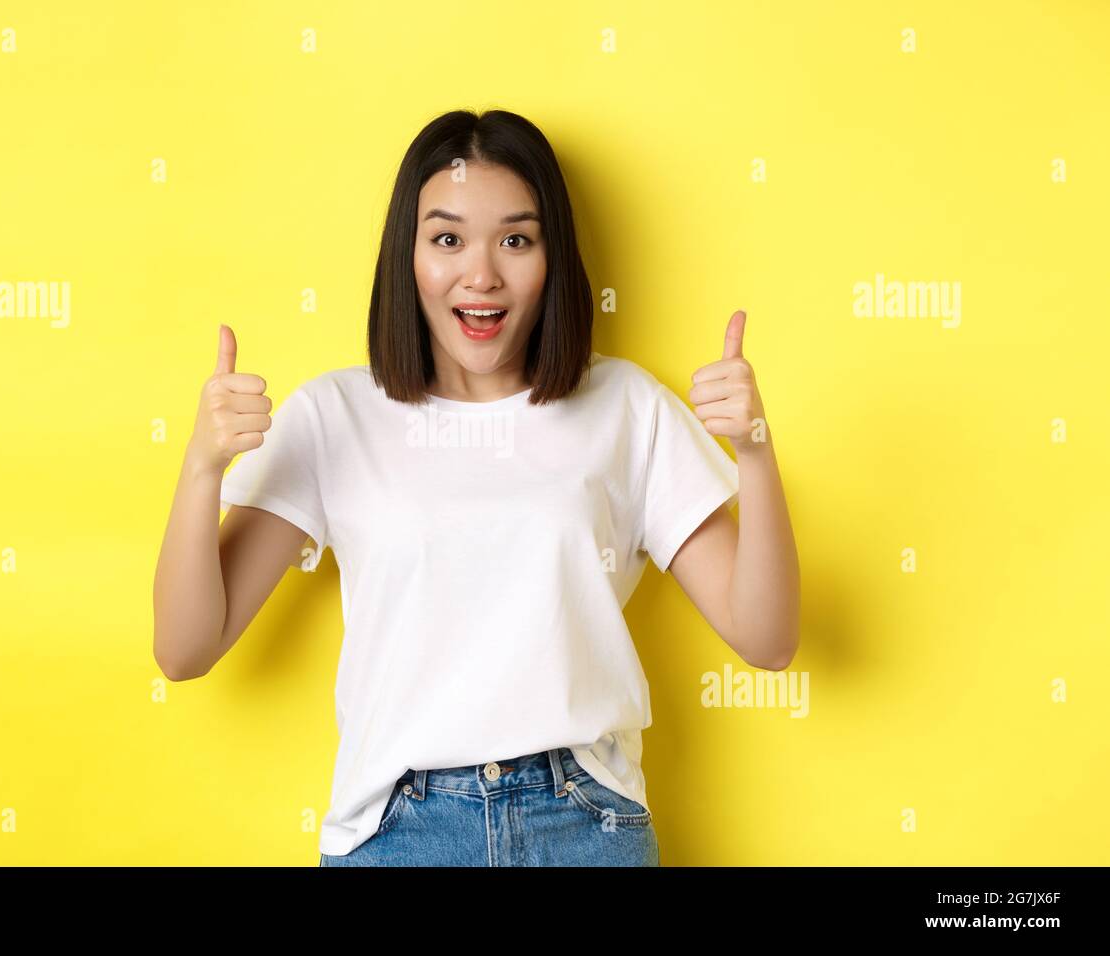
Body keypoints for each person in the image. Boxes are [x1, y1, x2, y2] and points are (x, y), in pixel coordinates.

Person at [152, 109, 801, 866]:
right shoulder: (336, 414)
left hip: (583, 826)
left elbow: (768, 639)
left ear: (552, 258)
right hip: (395, 833)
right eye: (448, 238)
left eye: (516, 239)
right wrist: (201, 468)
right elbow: (184, 650)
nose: (481, 274)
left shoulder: (626, 406)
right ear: (409, 255)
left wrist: (753, 452)